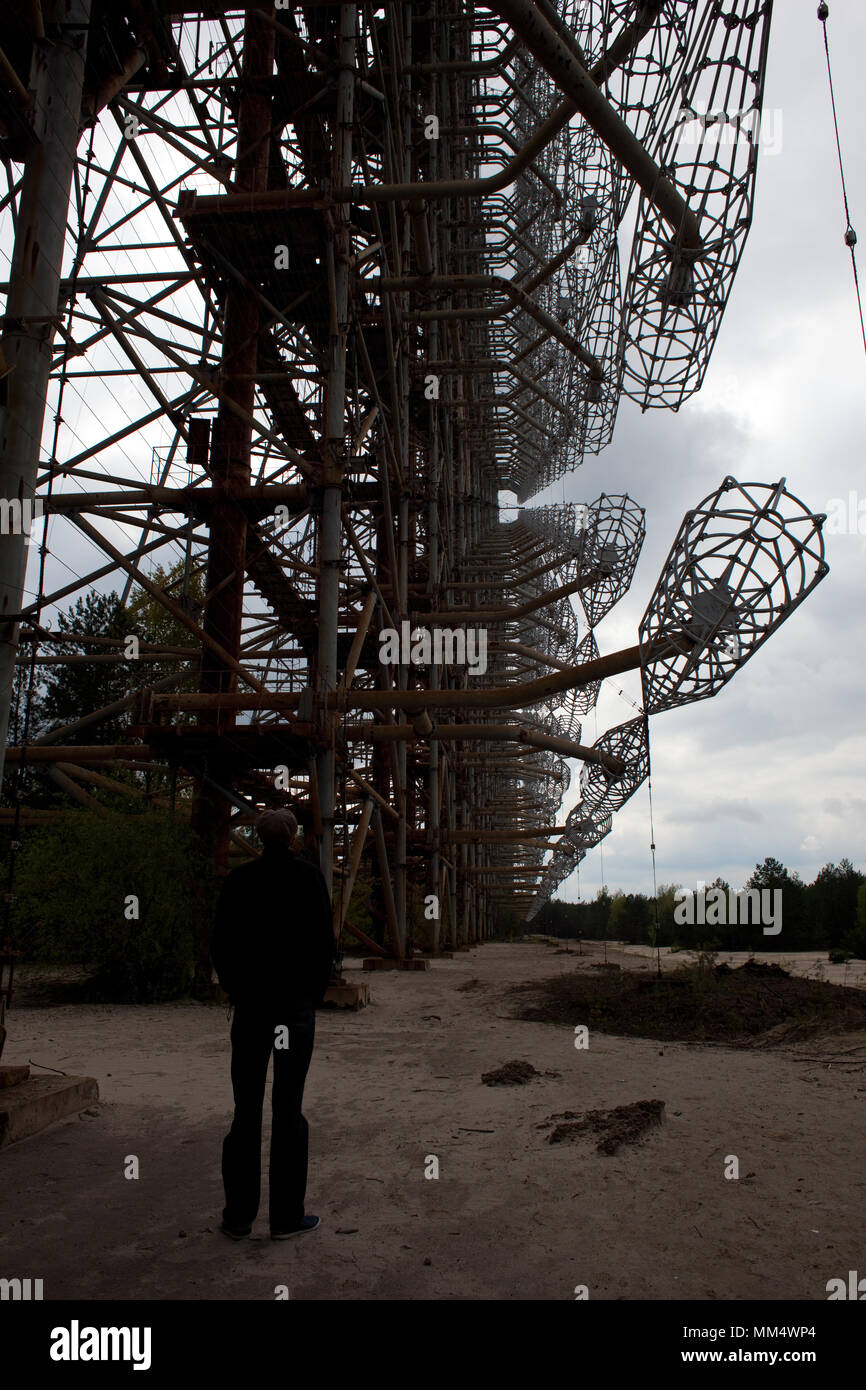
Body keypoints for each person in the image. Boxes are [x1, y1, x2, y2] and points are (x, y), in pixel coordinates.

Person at [211, 808, 335, 1240]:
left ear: (258, 838)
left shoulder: (239, 881)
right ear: (294, 838)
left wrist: (235, 988)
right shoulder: (309, 879)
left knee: (245, 1111)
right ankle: (285, 1218)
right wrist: (312, 995)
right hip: (293, 1011)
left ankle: (238, 1217)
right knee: (288, 1111)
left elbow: (221, 942)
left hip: (251, 1010)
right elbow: (325, 942)